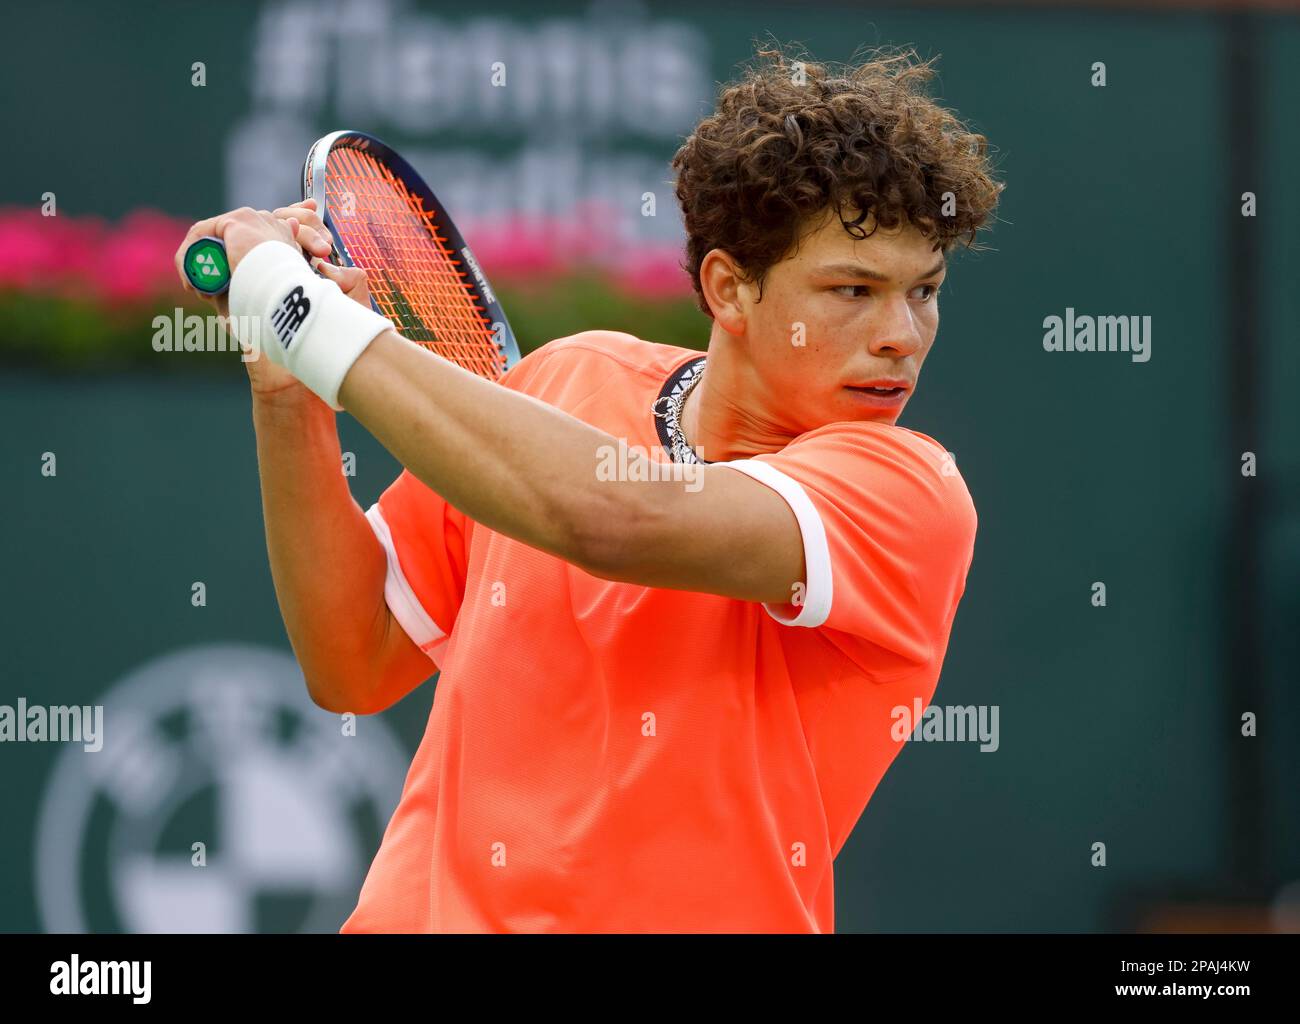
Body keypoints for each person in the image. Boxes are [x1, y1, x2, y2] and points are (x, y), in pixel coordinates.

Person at [174, 46, 1002, 933]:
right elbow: (353, 660)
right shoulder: (569, 379)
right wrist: (287, 391)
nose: (900, 335)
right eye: (853, 289)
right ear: (729, 288)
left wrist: (292, 305)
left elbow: (611, 516)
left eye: (925, 291)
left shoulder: (910, 494)